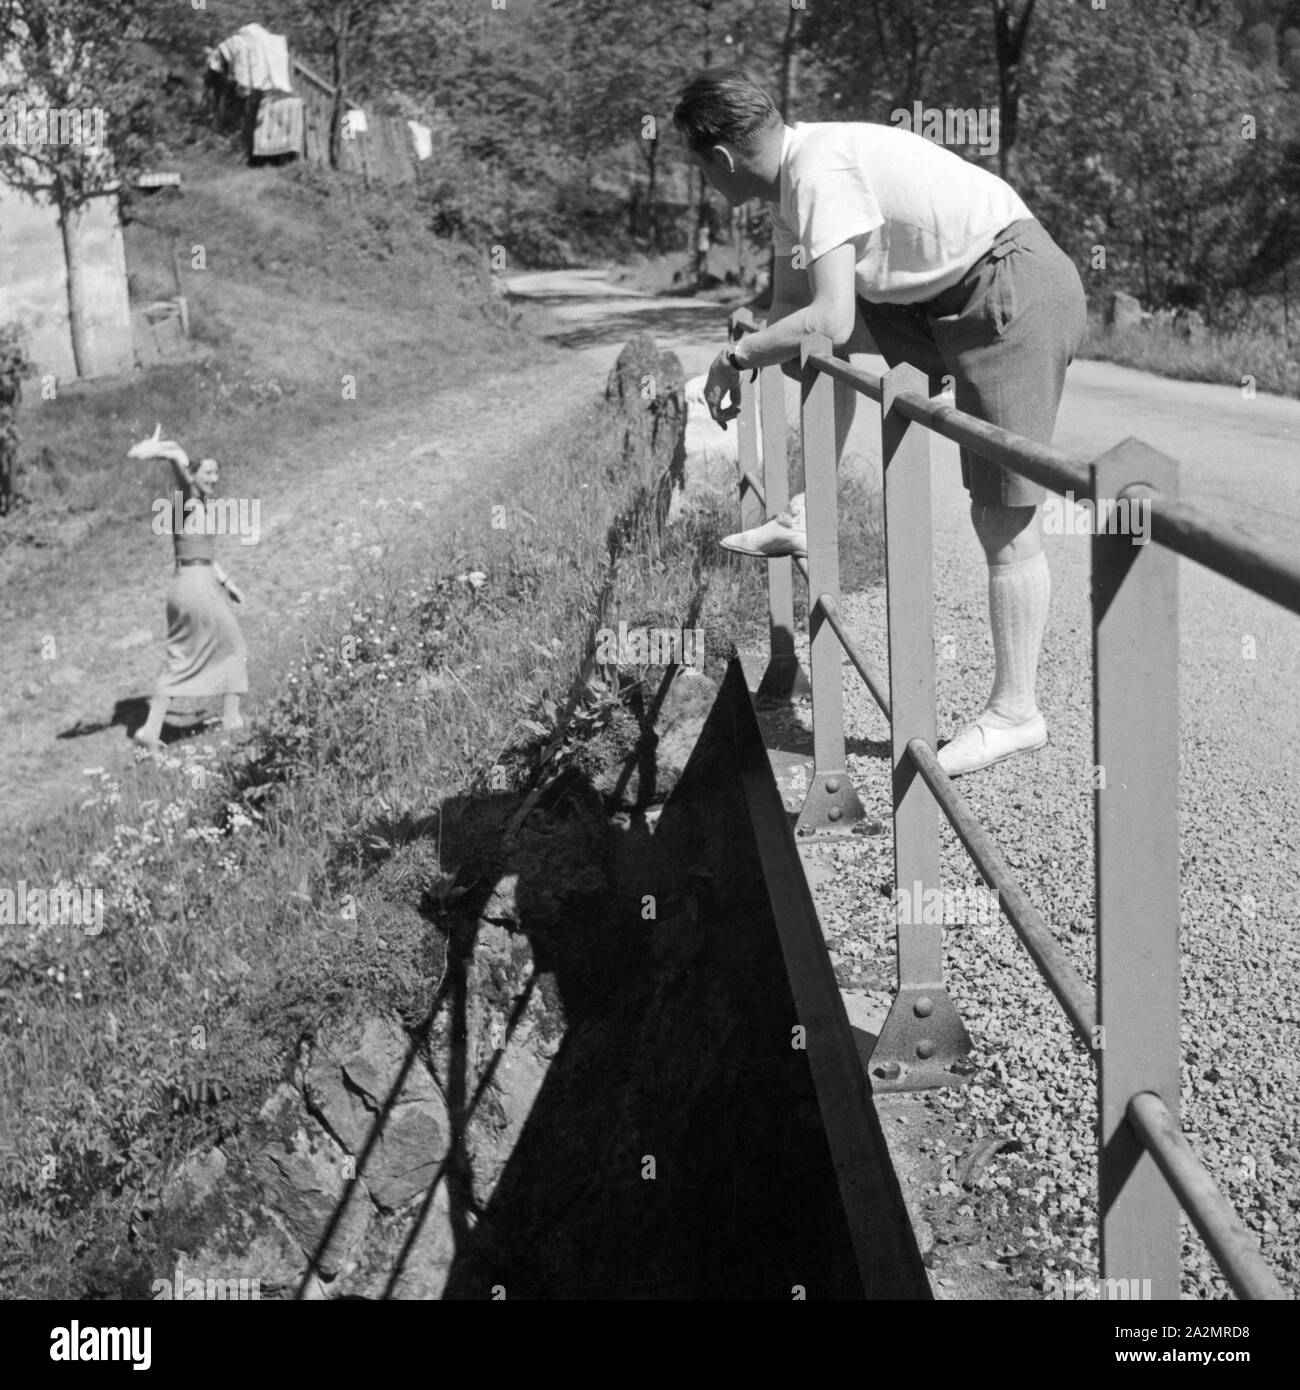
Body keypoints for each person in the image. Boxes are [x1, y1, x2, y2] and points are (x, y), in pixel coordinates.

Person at [672, 66, 1087, 777]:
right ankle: (811, 508)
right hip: (947, 301)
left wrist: (734, 356)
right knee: (819, 346)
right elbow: (797, 318)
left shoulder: (817, 173)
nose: (708, 185)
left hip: (1011, 289)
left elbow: (827, 315)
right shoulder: (788, 191)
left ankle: (1018, 712)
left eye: (702, 171)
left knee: (1003, 515)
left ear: (722, 160)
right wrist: (753, 353)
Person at [126, 425, 249, 749]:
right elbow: (182, 475)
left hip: (190, 583)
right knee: (233, 645)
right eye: (208, 472)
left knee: (181, 656)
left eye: (217, 473)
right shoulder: (187, 500)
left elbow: (202, 552)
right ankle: (232, 720)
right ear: (193, 475)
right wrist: (171, 453)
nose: (214, 478)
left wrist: (227, 582)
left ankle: (150, 732)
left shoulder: (196, 507)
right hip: (195, 586)